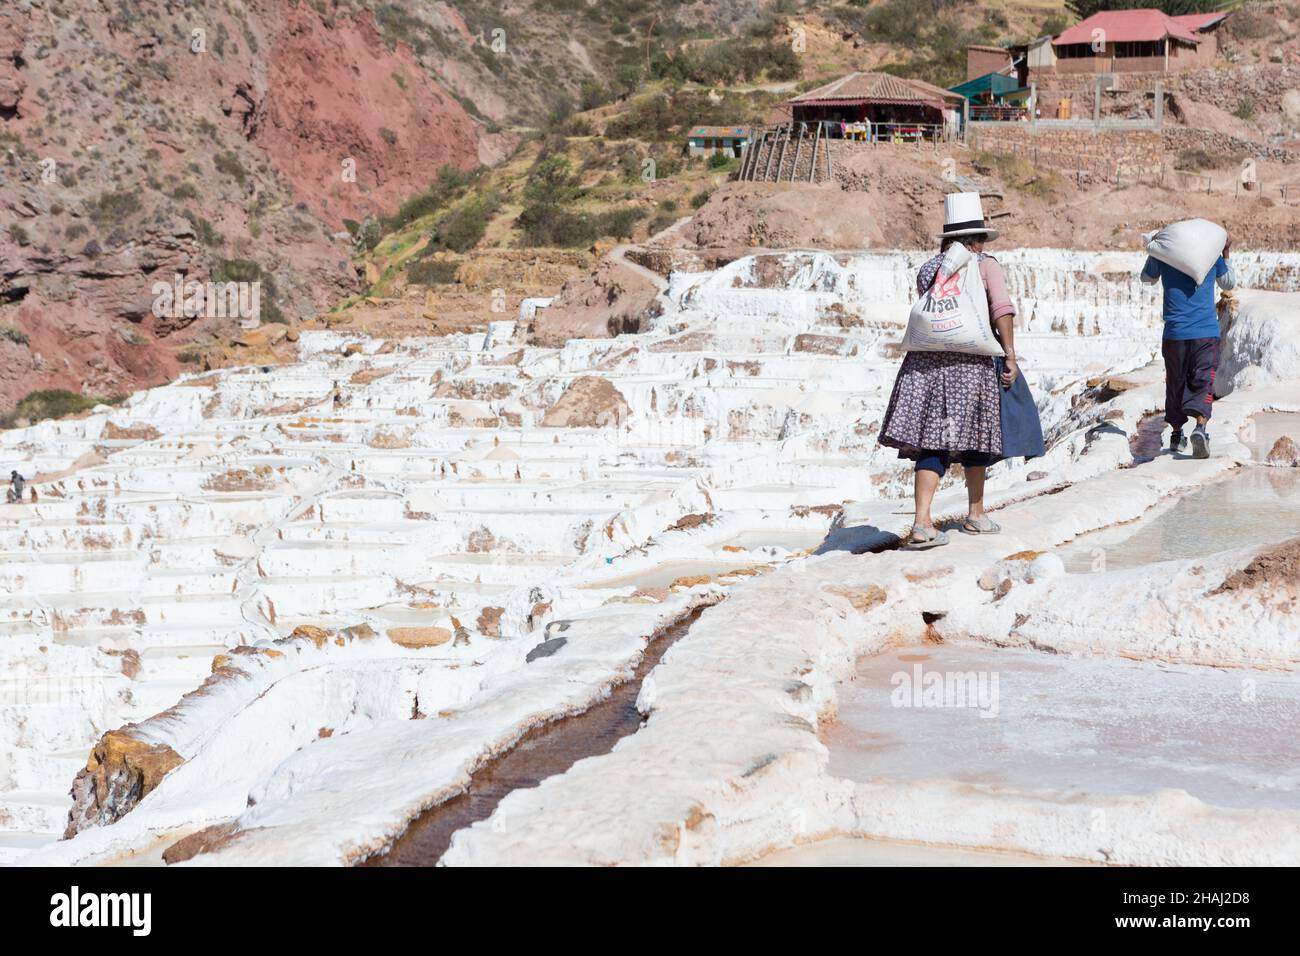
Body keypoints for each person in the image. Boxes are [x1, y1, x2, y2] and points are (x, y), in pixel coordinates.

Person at [880, 192, 1044, 550]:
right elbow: (1001, 309)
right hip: (971, 367)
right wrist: (1011, 355)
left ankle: (922, 523)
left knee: (932, 442)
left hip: (925, 367)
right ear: (977, 239)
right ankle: (976, 514)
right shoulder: (986, 266)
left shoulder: (930, 268)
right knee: (976, 442)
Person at [1140, 233, 1236, 458]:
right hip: (1205, 332)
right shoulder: (1210, 253)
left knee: (1176, 381)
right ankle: (1200, 429)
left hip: (1175, 334)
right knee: (1203, 380)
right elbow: (1229, 283)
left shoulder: (1166, 254)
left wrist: (1153, 249)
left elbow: (1146, 278)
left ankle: (1176, 434)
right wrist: (1226, 253)